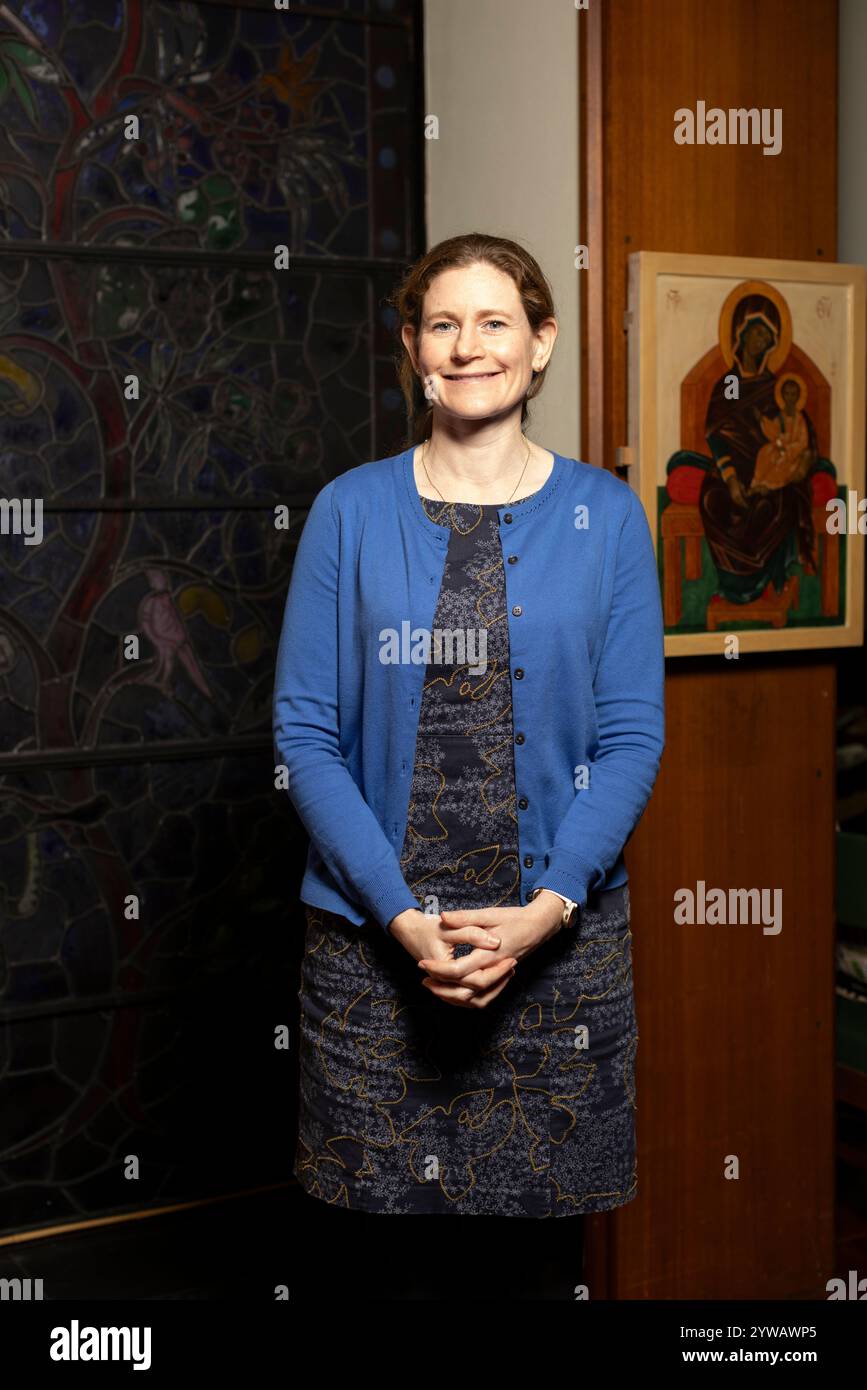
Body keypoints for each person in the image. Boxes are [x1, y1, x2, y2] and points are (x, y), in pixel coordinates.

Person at [273, 232, 665, 1299]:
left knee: (535, 1271)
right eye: (442, 323)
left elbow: (631, 737)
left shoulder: (610, 518)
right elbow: (304, 736)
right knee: (375, 1268)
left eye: (496, 322)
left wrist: (547, 909)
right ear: (413, 348)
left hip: (558, 959)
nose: (468, 345)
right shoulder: (351, 512)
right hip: (373, 959)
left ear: (540, 345)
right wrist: (403, 919)